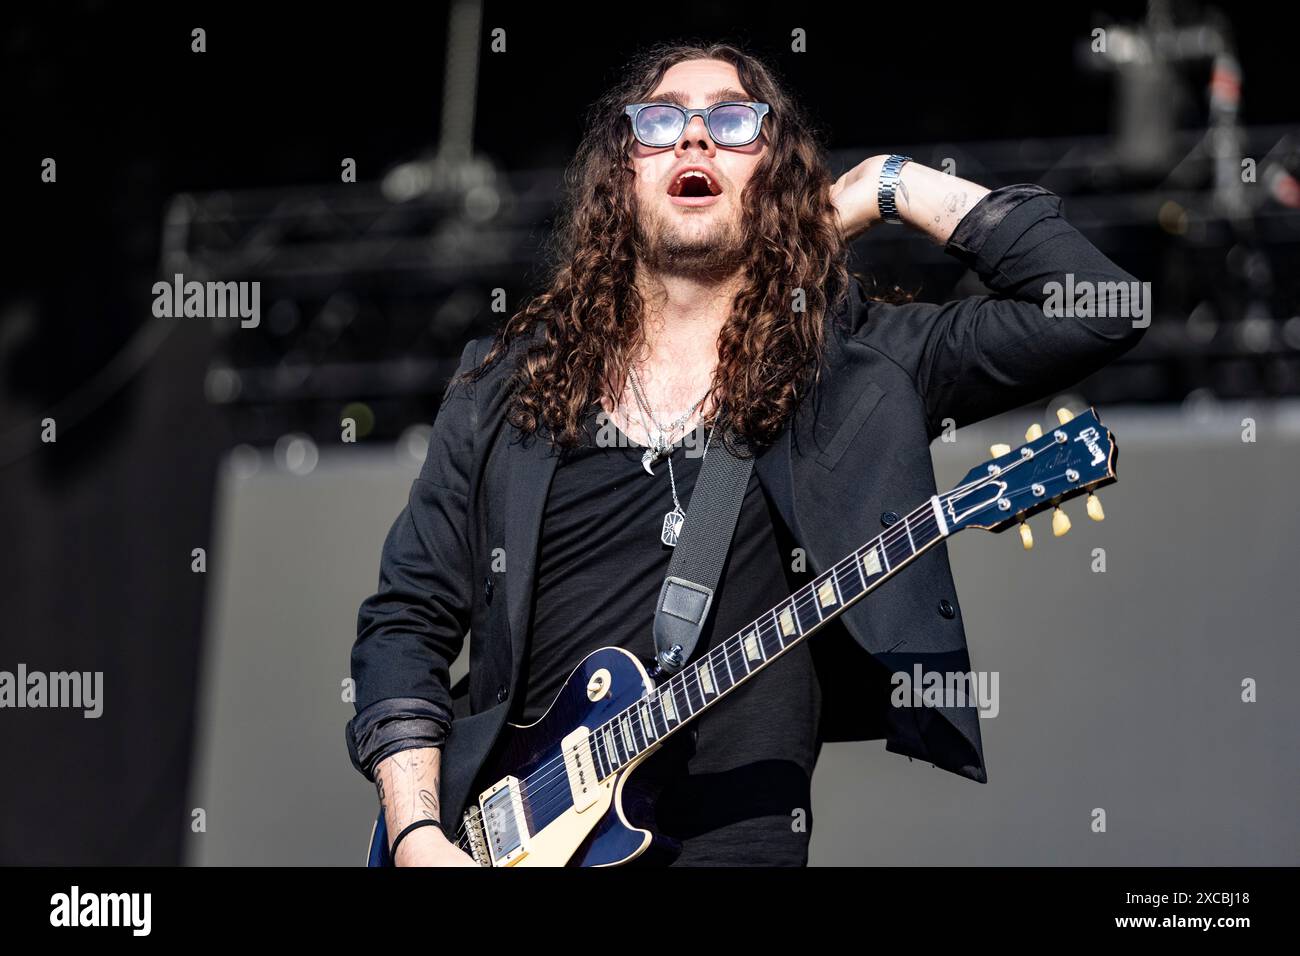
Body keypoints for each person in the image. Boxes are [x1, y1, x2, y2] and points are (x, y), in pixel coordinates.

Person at [345, 41, 1147, 866]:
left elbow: (1102, 308)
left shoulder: (849, 374)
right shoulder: (507, 383)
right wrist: (416, 834)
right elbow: (406, 620)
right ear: (621, 172)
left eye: (733, 122)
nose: (694, 137)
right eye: (660, 122)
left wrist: (890, 184)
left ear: (777, 177)